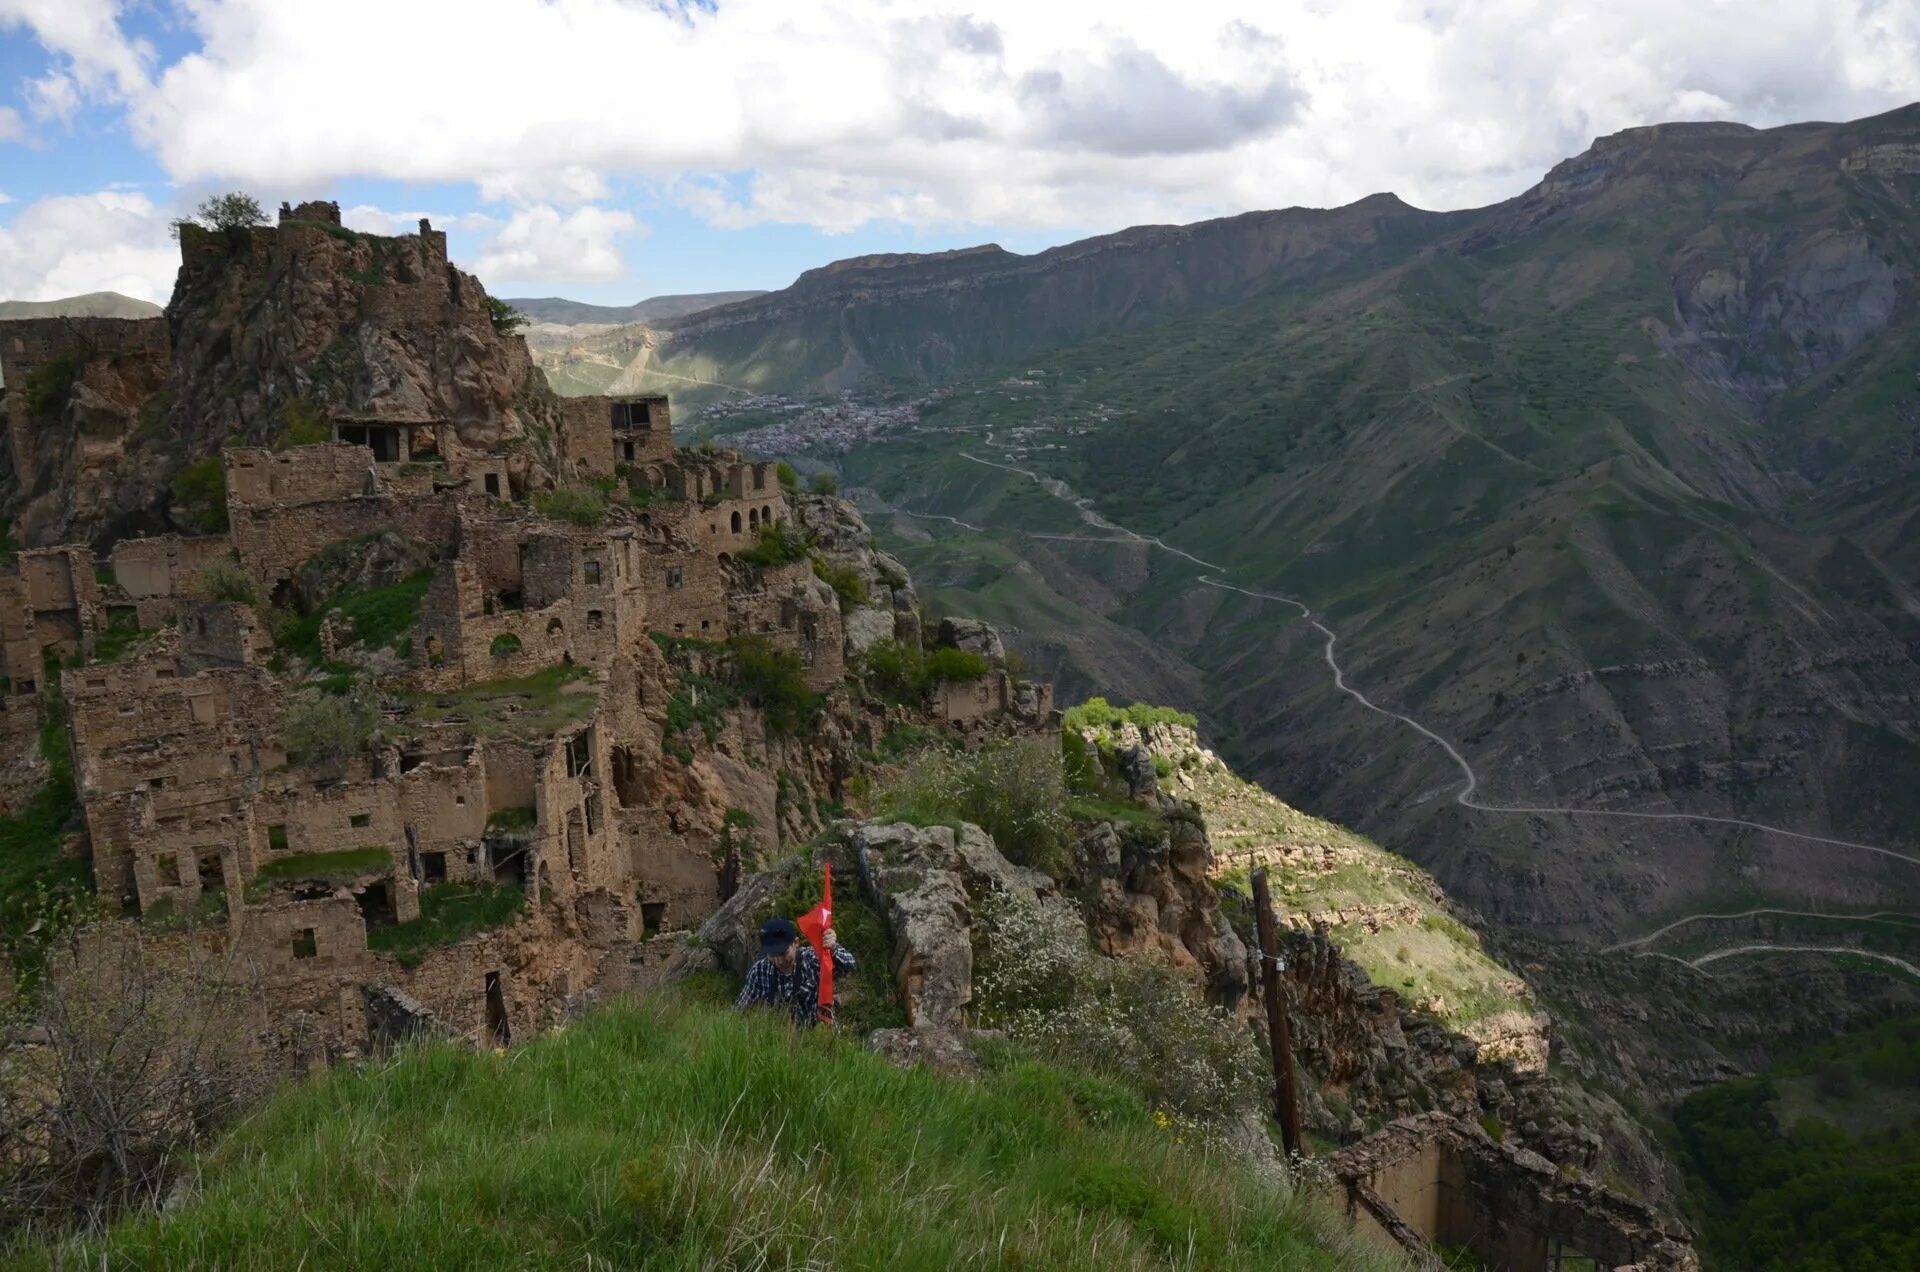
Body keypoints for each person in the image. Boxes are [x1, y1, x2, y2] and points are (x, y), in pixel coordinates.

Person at [736, 915, 855, 1027]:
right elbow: (738, 1011)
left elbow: (850, 966)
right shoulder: (759, 971)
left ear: (796, 943)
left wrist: (834, 948)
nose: (779, 961)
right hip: (780, 1040)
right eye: (772, 955)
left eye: (783, 954)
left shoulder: (813, 959)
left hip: (820, 1035)